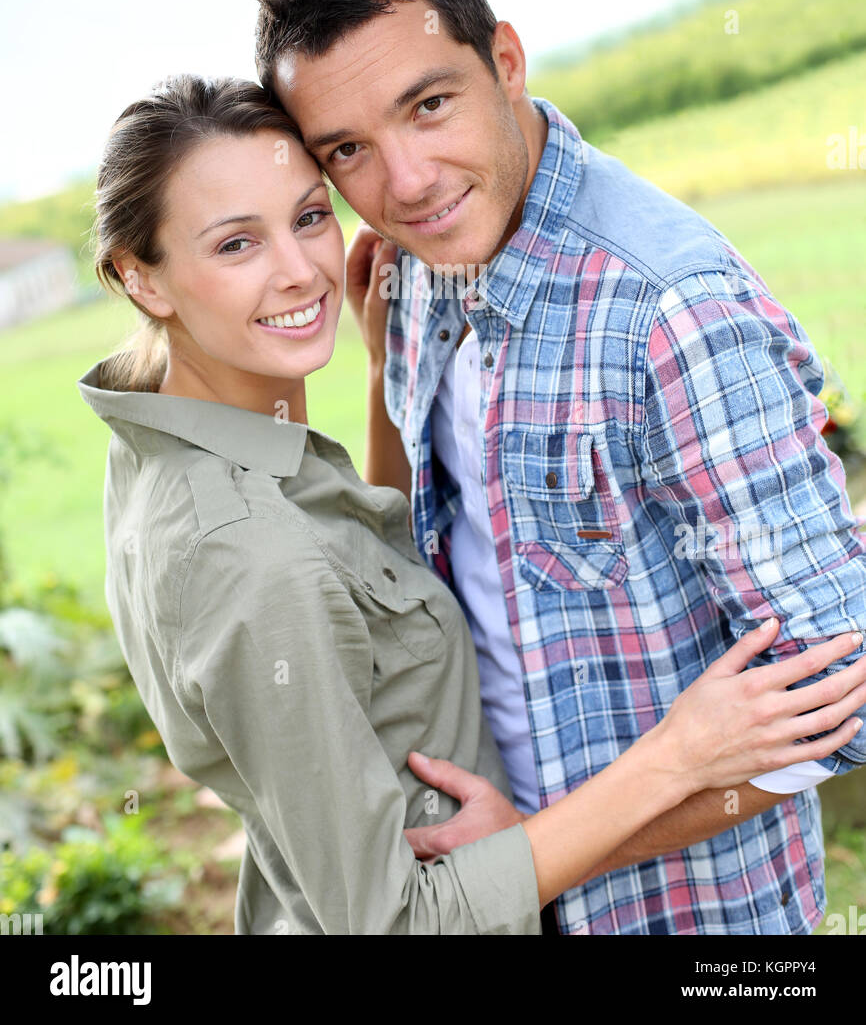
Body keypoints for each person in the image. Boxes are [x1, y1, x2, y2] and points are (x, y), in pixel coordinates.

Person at [77, 74, 866, 937]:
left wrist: (383, 381)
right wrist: (674, 760)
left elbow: (370, 588)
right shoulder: (248, 553)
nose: (302, 270)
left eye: (308, 217)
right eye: (236, 245)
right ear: (140, 277)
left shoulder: (167, 441)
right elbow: (393, 922)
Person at [254, 0, 866, 935]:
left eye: (429, 104)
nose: (403, 182)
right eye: (349, 150)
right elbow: (424, 562)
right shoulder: (412, 263)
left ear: (503, 60)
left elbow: (838, 697)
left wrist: (531, 853)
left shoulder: (669, 313)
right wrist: (378, 375)